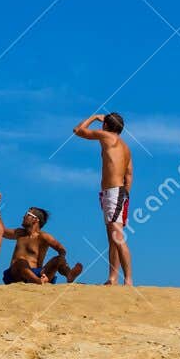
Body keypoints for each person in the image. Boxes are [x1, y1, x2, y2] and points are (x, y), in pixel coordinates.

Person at [73, 111, 133, 286]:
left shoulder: (107, 136)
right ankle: (113, 278)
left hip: (115, 192)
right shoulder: (125, 147)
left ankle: (128, 279)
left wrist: (93, 117)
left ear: (106, 125)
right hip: (116, 193)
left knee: (117, 236)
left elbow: (78, 130)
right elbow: (129, 175)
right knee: (112, 239)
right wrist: (124, 195)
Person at [1, 206, 83, 285]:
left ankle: (69, 275)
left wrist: (62, 262)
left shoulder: (43, 236)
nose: (23, 216)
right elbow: (2, 231)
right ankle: (38, 282)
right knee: (21, 261)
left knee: (59, 259)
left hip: (37, 273)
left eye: (27, 214)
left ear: (35, 219)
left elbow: (61, 248)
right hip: (16, 275)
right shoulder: (19, 233)